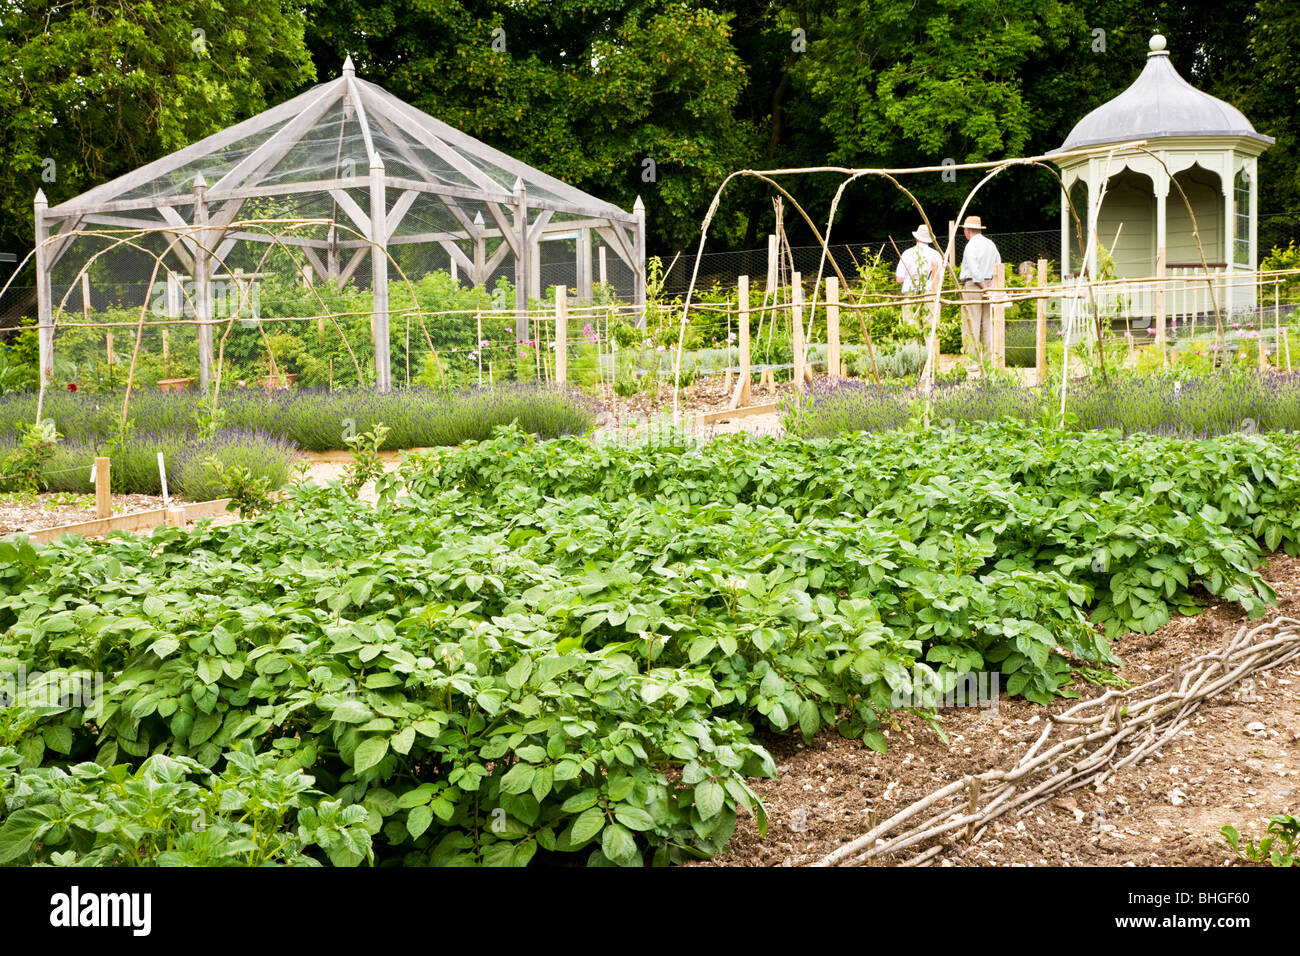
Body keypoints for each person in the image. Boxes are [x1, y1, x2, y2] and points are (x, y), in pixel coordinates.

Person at [957, 215, 1001, 356]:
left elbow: (975, 272)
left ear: (968, 230)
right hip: (989, 286)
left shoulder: (970, 246)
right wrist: (991, 287)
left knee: (971, 324)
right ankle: (989, 360)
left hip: (974, 286)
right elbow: (998, 266)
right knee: (987, 323)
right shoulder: (991, 244)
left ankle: (972, 361)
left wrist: (984, 287)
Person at [894, 224, 944, 338]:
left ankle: (913, 353)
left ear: (917, 238)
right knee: (930, 327)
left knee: (911, 327)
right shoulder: (935, 254)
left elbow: (899, 279)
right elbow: (941, 278)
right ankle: (931, 354)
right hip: (930, 292)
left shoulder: (907, 253)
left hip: (910, 294)